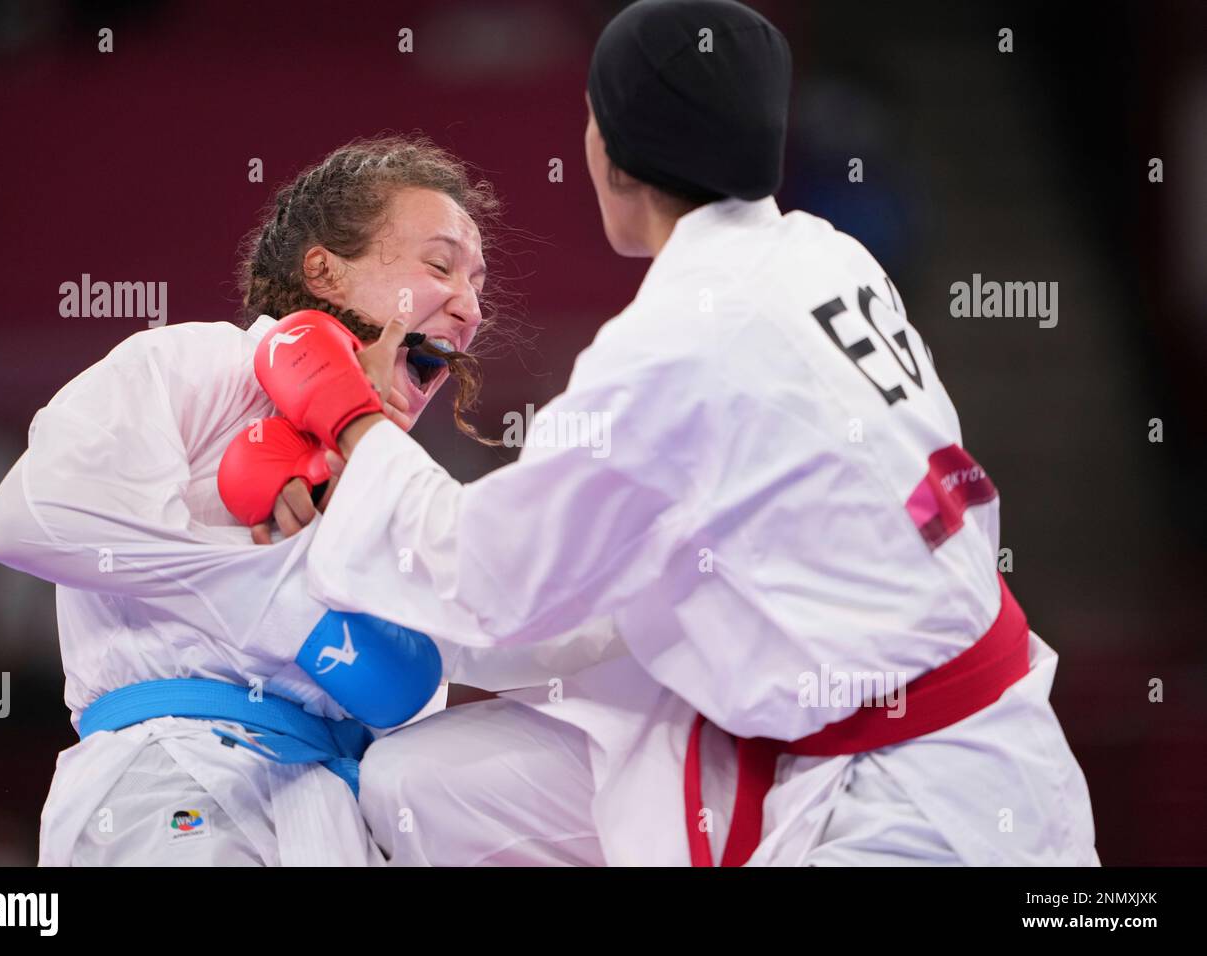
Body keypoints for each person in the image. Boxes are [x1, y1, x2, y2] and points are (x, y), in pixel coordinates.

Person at [268, 0, 1099, 866]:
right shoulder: (828, 254)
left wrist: (353, 423)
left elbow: (490, 577)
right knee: (421, 788)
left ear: (611, 147)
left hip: (908, 801)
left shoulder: (673, 348)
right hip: (959, 725)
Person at [0, 136, 540, 866]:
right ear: (324, 270)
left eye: (477, 285)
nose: (468, 308)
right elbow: (31, 517)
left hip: (338, 812)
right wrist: (275, 599)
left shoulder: (399, 488)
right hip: (172, 778)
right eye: (439, 266)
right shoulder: (199, 363)